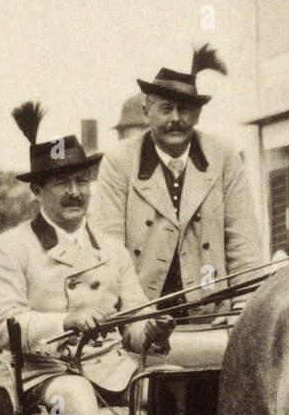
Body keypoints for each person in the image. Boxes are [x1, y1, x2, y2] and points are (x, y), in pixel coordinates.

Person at [0, 101, 172, 415]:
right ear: (38, 191)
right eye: (61, 183)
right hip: (41, 379)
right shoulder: (11, 248)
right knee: (75, 393)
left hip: (112, 369)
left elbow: (134, 322)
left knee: (173, 385)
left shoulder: (110, 249)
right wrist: (66, 320)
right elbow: (2, 323)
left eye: (81, 181)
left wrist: (153, 330)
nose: (75, 192)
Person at [85, 45, 264, 309]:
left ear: (198, 114)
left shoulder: (223, 156)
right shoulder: (120, 161)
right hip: (141, 313)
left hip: (212, 310)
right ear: (146, 111)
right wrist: (126, 315)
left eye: (185, 109)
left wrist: (241, 308)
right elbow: (108, 247)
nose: (176, 119)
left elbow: (243, 241)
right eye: (166, 109)